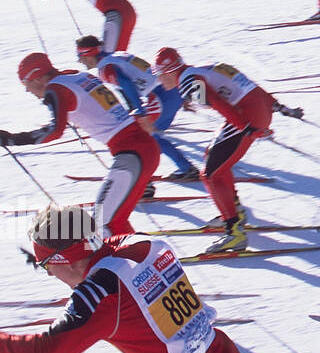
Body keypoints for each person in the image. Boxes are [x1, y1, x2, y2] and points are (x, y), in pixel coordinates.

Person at [1, 204, 265, 353]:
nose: (48, 274)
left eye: (46, 265)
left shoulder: (101, 294)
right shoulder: (140, 243)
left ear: (63, 261)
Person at [152, 47, 302, 254]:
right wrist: (278, 106)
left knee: (211, 174)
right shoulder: (201, 70)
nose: (160, 81)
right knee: (212, 158)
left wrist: (244, 126)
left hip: (244, 116)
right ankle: (234, 210)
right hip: (253, 111)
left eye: (160, 75)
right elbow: (249, 86)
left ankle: (234, 231)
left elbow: (217, 102)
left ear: (168, 71)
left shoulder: (187, 82)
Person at [1, 53, 160, 237]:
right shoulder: (78, 75)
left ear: (36, 78)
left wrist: (11, 139)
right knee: (111, 221)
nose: (28, 91)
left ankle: (127, 260)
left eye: (25, 84)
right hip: (142, 149)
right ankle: (135, 256)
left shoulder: (56, 89)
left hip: (133, 155)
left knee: (102, 224)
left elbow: (55, 131)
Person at [74, 35, 197, 180]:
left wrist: (140, 111)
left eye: (80, 56)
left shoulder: (105, 69)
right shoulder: (116, 55)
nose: (80, 61)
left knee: (141, 136)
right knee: (152, 136)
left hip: (160, 95)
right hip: (170, 90)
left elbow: (127, 85)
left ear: (88, 55)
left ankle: (150, 180)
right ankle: (184, 168)